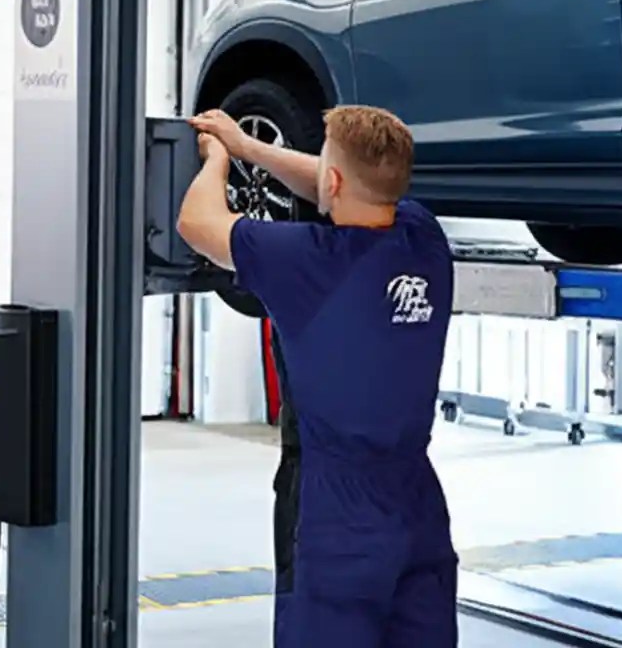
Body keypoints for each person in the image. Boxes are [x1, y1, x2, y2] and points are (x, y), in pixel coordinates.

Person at [177, 106, 458, 647]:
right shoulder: (424, 239)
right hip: (418, 505)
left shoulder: (310, 260)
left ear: (332, 180)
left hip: (337, 517)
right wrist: (250, 147)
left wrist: (217, 159)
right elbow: (346, 181)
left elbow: (197, 223)